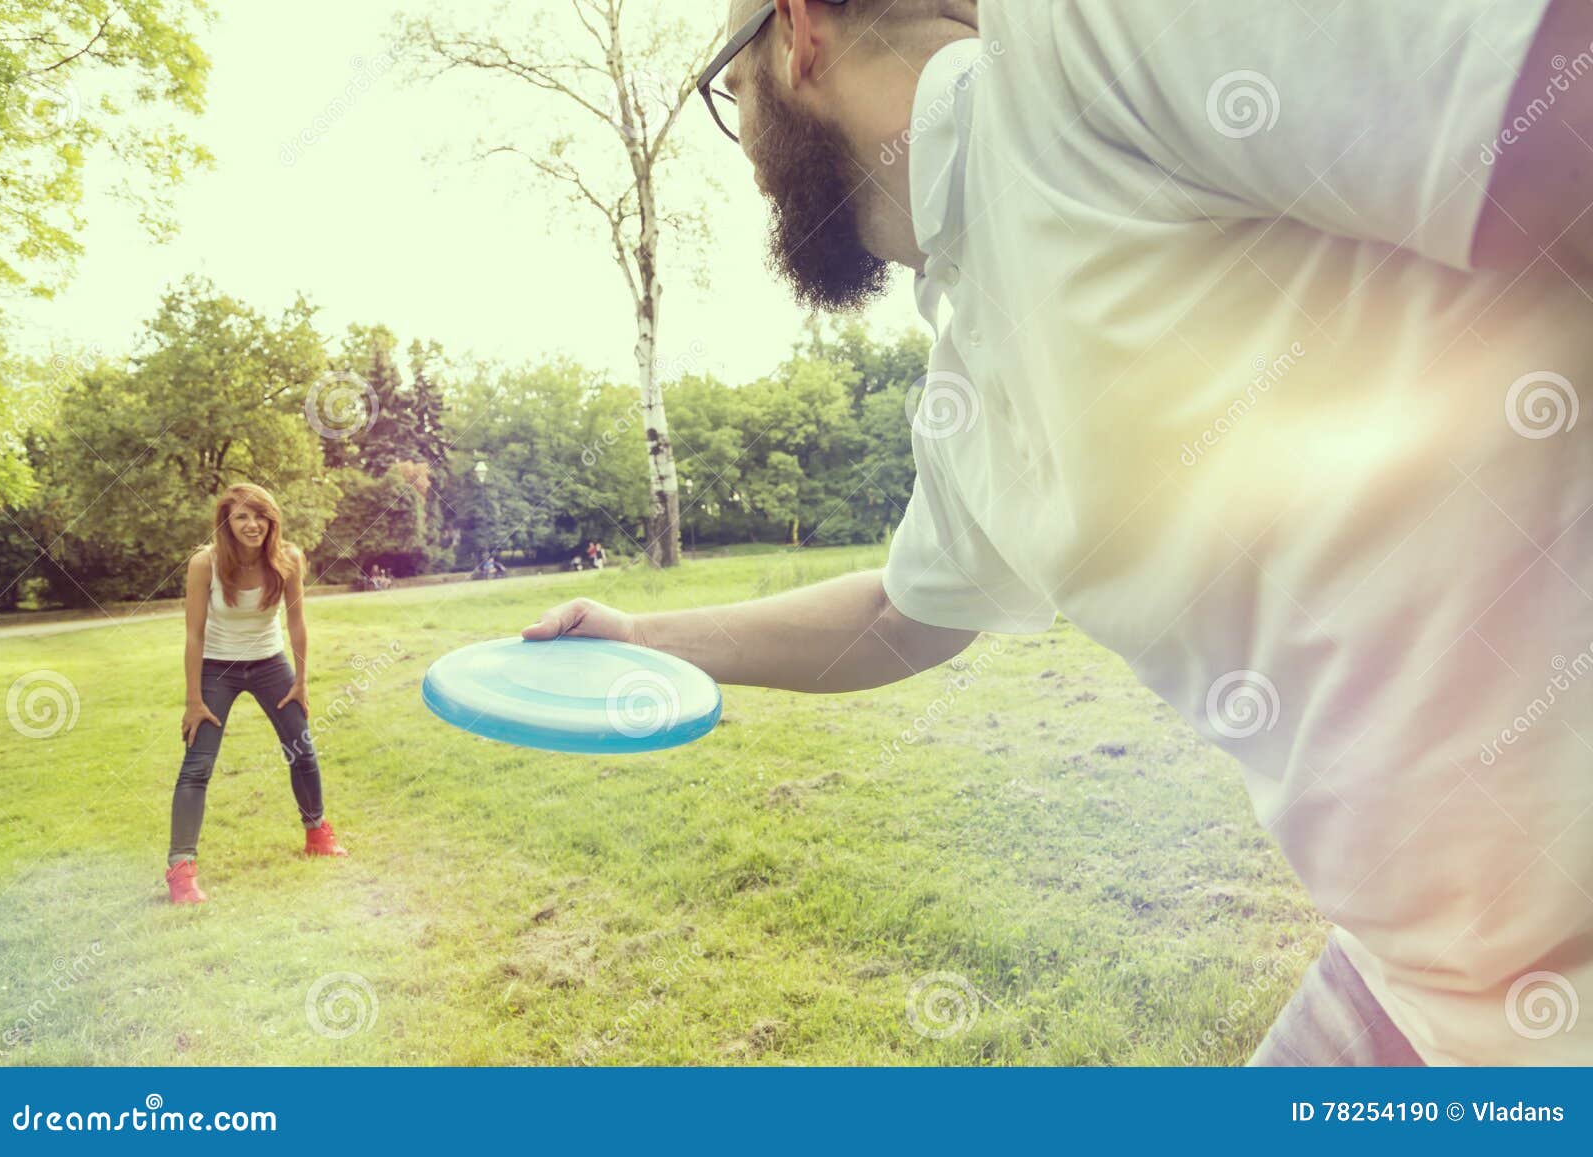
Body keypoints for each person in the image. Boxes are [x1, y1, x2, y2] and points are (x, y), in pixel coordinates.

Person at [525, 0, 1593, 1064]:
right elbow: (902, 614)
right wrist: (644, 640)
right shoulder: (966, 361)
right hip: (1420, 983)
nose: (746, 142)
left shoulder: (1084, 38)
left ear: (798, 35)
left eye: (731, 85)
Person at [166, 484, 347, 904]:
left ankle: (317, 833)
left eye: (260, 516)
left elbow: (297, 623)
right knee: (197, 763)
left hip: (269, 662)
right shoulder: (204, 564)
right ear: (227, 523)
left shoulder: (288, 559)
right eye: (243, 517)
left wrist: (300, 681)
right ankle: (180, 869)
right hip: (217, 667)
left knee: (301, 747)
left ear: (272, 520)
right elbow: (193, 635)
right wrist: (194, 700)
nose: (252, 525)